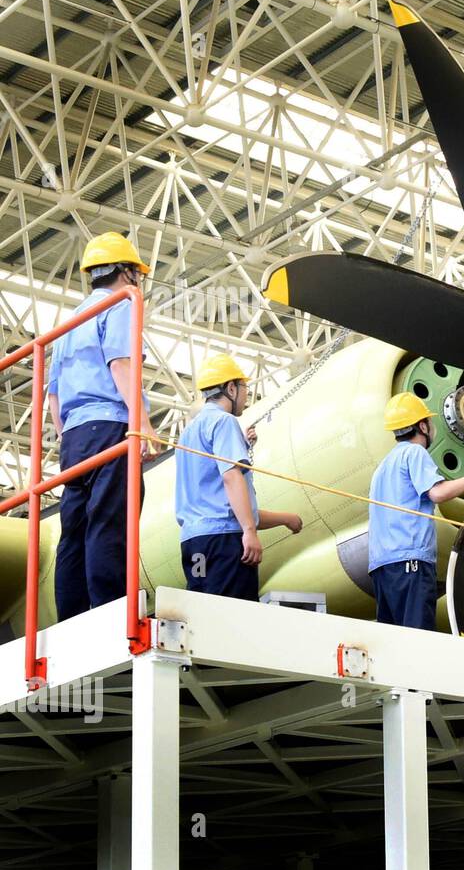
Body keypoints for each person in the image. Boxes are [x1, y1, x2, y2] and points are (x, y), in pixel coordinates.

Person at [47, 232, 157, 620]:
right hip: (110, 427)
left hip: (74, 439)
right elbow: (121, 364)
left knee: (73, 532)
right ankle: (110, 614)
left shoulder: (66, 326)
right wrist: (141, 424)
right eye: (137, 273)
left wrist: (67, 439)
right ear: (127, 273)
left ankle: (72, 618)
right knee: (109, 522)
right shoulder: (123, 304)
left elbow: (54, 398)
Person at [368, 392, 464, 629]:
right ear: (422, 425)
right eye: (429, 422)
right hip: (410, 562)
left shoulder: (382, 468)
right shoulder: (414, 453)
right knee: (418, 639)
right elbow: (437, 492)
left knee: (393, 642)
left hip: (381, 568)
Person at [175, 354, 302, 600]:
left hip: (194, 543)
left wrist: (286, 519)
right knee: (233, 618)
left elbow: (221, 499)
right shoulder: (224, 422)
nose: (246, 394)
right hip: (224, 543)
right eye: (245, 387)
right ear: (231, 388)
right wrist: (249, 531)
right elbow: (231, 480)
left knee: (206, 615)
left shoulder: (188, 433)